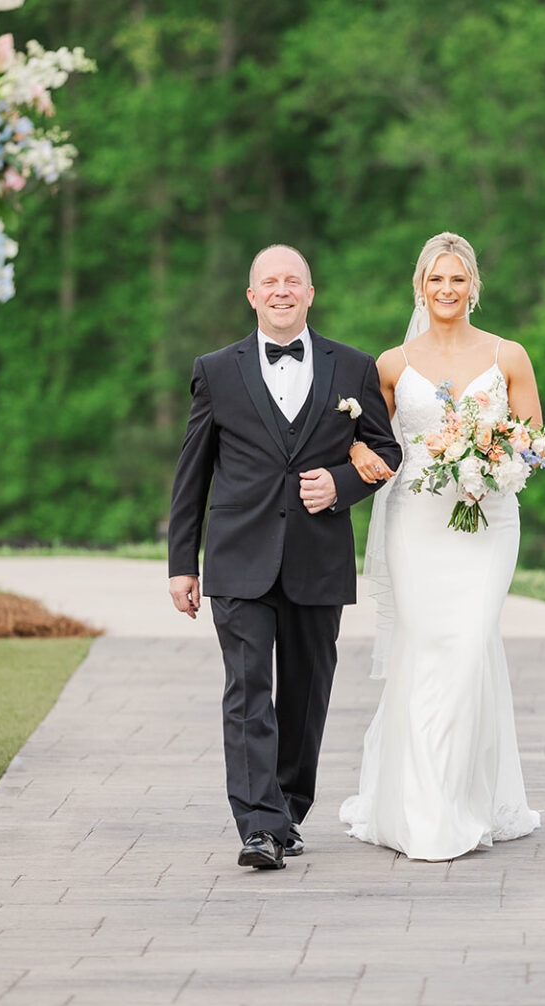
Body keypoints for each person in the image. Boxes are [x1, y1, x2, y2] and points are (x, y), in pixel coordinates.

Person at [167, 244, 401, 870]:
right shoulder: (216, 370)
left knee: (306, 693)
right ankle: (258, 825)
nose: (281, 290)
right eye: (269, 282)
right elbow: (193, 472)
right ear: (252, 296)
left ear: (309, 292)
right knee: (247, 689)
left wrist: (342, 485)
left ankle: (289, 808)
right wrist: (180, 563)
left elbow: (387, 451)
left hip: (317, 556)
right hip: (239, 555)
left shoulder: (351, 368)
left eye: (292, 281)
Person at [338, 232, 543, 861]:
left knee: (469, 645)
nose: (446, 290)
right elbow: (363, 440)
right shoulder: (392, 364)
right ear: (420, 288)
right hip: (416, 521)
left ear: (473, 285)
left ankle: (462, 797)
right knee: (426, 650)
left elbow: (534, 437)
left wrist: (497, 459)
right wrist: (362, 457)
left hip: (490, 519)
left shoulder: (509, 356)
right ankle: (424, 808)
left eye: (457, 279)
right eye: (435, 280)